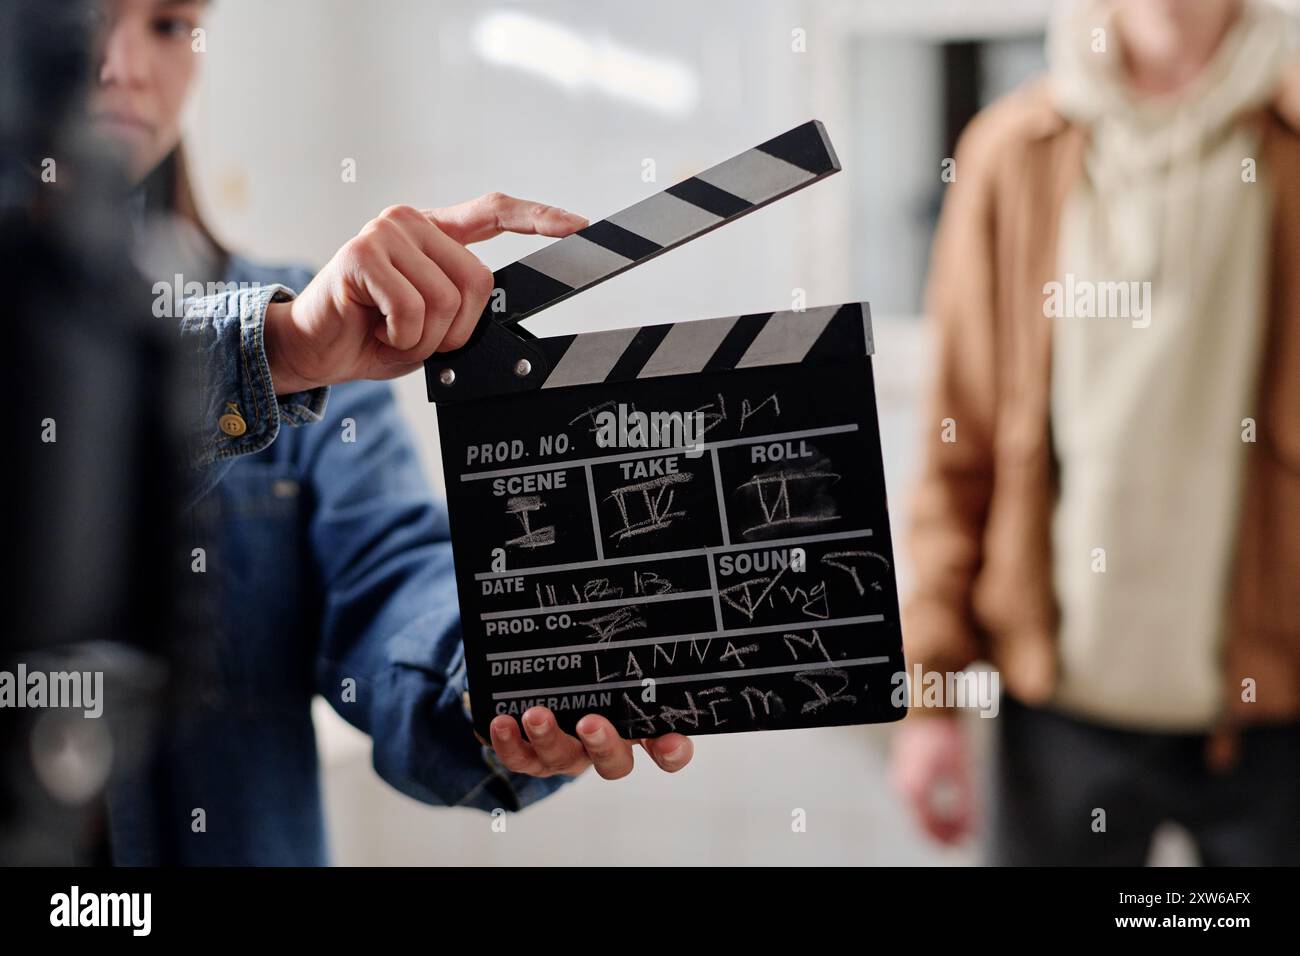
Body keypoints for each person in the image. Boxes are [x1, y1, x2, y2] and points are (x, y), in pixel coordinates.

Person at [90, 0, 694, 864]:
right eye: (81, 16)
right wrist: (270, 352)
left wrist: (519, 671)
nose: (123, 65)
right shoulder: (290, 334)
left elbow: (393, 589)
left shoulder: (304, 317)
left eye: (166, 24)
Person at [891, 0, 1300, 864]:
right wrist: (929, 696)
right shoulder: (1010, 154)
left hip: (1278, 712)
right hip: (1060, 708)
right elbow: (957, 449)